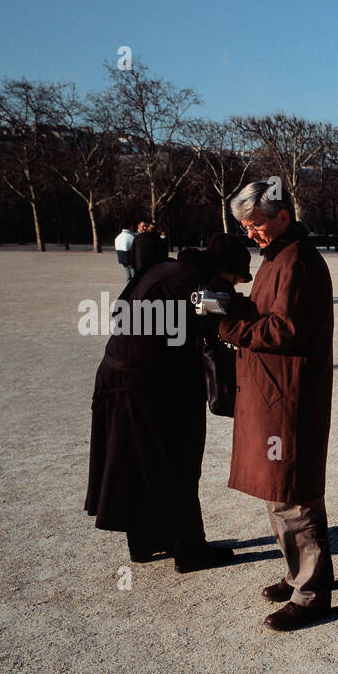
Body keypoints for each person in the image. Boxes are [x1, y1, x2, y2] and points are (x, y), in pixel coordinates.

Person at [86, 232, 249, 572]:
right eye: (236, 277)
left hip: (117, 374)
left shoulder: (166, 270)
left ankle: (143, 543)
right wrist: (248, 306)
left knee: (134, 463)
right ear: (224, 269)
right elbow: (222, 309)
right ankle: (190, 549)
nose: (234, 284)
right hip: (151, 383)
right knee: (181, 461)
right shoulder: (197, 281)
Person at [219, 182, 335, 631]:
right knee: (278, 492)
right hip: (274, 395)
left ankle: (311, 593)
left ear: (282, 217)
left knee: (294, 494)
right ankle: (297, 575)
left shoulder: (299, 261)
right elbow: (268, 312)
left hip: (290, 397)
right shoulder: (278, 257)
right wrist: (235, 306)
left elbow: (286, 328)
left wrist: (231, 327)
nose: (251, 234)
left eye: (256, 224)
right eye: (245, 227)